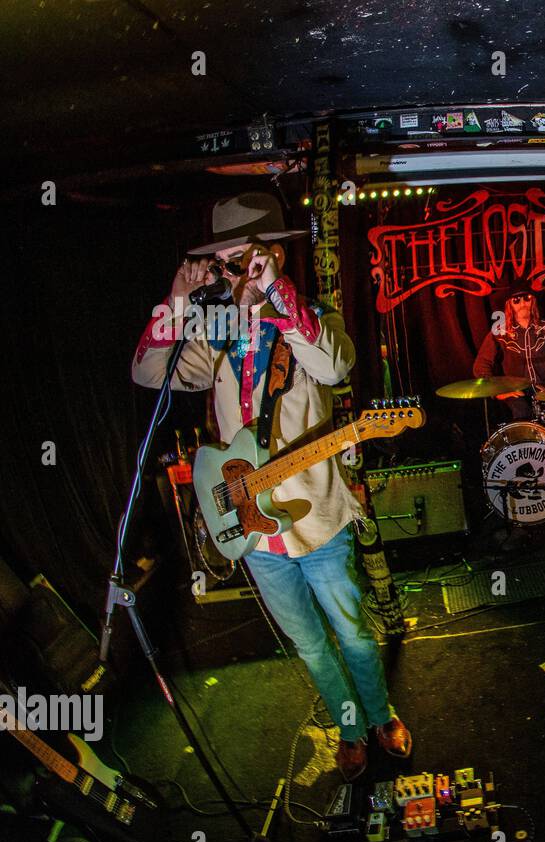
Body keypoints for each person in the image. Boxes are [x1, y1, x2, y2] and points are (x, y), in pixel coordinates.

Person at [131, 191, 411, 781]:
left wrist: (278, 296)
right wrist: (176, 306)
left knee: (354, 634)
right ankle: (350, 727)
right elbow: (148, 371)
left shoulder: (312, 319)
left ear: (275, 257)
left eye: (249, 259)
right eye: (228, 262)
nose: (239, 273)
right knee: (310, 646)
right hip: (254, 534)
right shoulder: (215, 337)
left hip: (319, 520)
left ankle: (382, 715)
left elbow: (335, 367)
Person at [473, 281, 545, 420]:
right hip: (515, 391)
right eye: (517, 300)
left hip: (543, 387)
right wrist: (497, 392)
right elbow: (481, 364)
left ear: (532, 301)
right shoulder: (500, 332)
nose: (523, 303)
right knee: (522, 413)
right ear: (509, 304)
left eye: (527, 298)